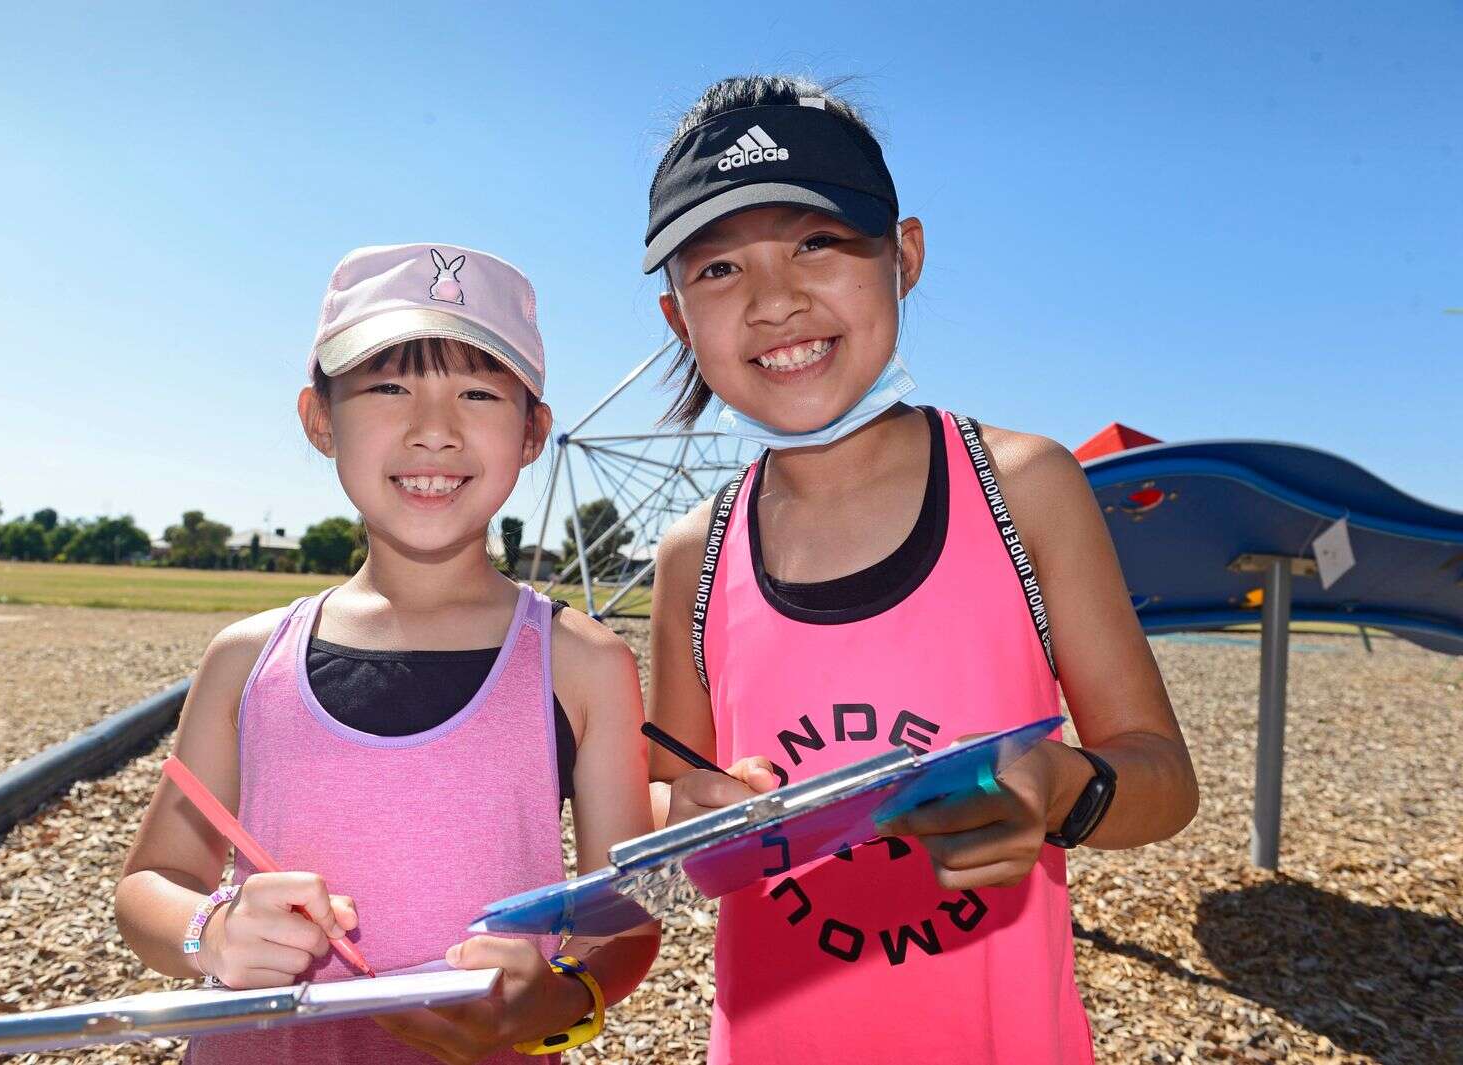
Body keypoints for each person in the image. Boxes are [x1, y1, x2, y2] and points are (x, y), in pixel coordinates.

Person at [642, 76, 1199, 1064]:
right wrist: (687, 819)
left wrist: (1058, 786)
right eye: (719, 268)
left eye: (818, 242)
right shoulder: (695, 551)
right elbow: (661, 798)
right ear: (679, 319)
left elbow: (1163, 775)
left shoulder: (1023, 487)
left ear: (903, 256)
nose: (775, 301)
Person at [116, 243, 658, 1064]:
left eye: (478, 392)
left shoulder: (584, 664)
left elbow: (624, 915)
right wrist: (213, 930)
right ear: (320, 419)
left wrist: (560, 995)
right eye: (388, 388)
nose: (433, 430)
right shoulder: (245, 661)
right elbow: (149, 885)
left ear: (532, 431)